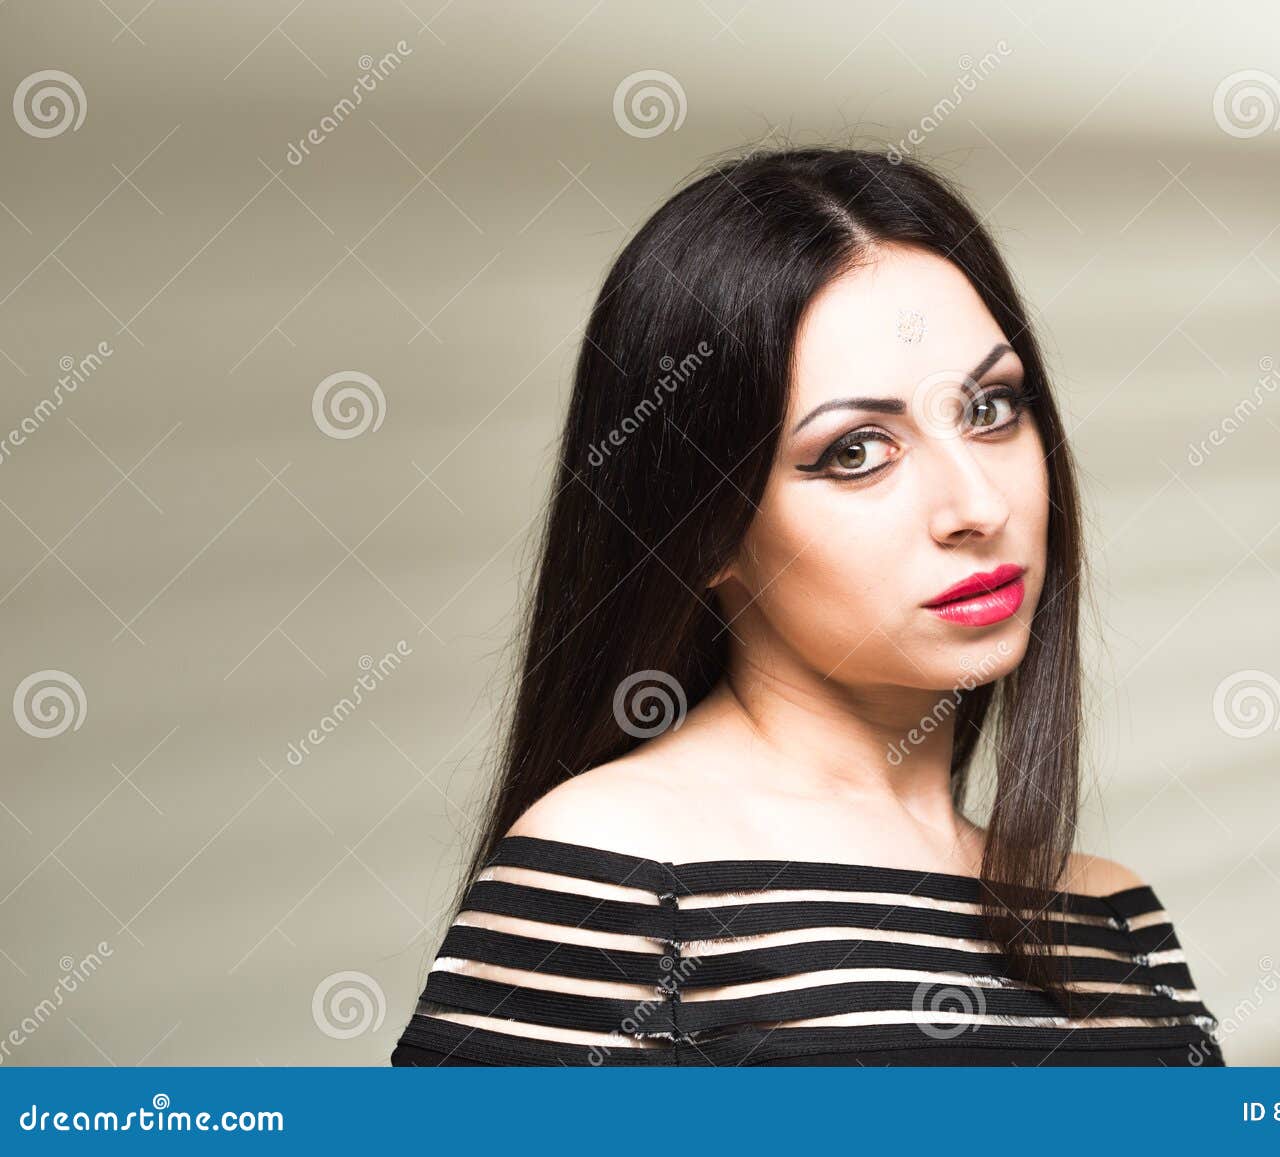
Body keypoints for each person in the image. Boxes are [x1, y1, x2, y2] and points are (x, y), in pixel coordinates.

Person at [390, 145, 1224, 1066]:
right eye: (857, 451)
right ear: (704, 531)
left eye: (990, 408)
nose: (978, 507)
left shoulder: (1108, 915)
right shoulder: (617, 871)